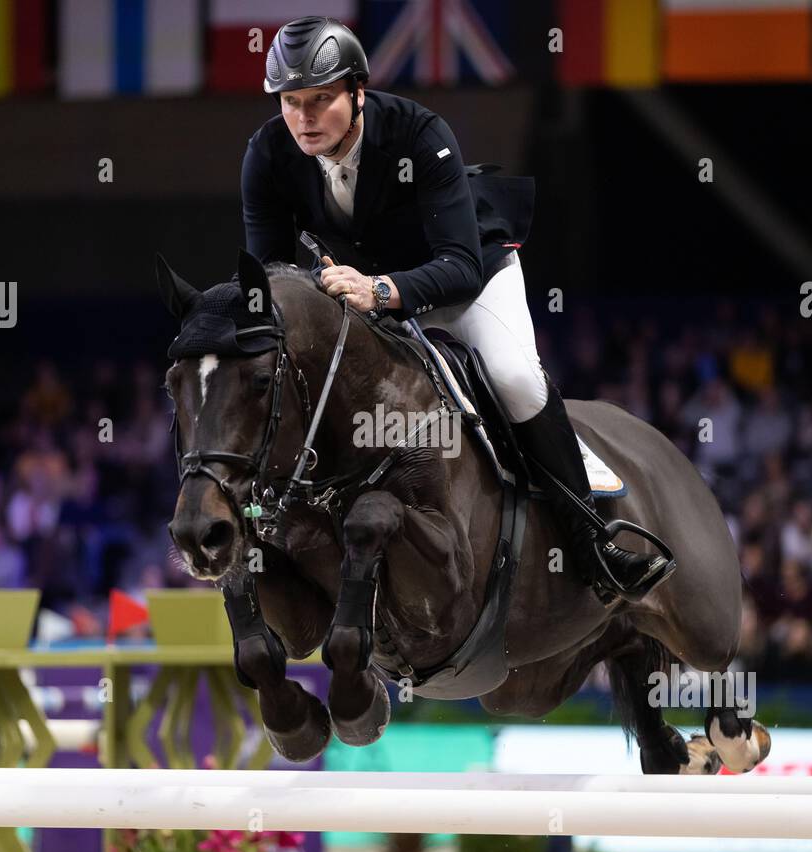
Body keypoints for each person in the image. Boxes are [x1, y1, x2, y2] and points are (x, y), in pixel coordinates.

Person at [241, 16, 673, 600]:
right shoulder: (268, 154)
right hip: (367, 294)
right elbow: (269, 282)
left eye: (321, 100)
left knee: (514, 377)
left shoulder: (419, 133)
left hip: (466, 280)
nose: (303, 118)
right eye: (291, 102)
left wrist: (381, 291)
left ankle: (593, 545)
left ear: (359, 92)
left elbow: (461, 266)